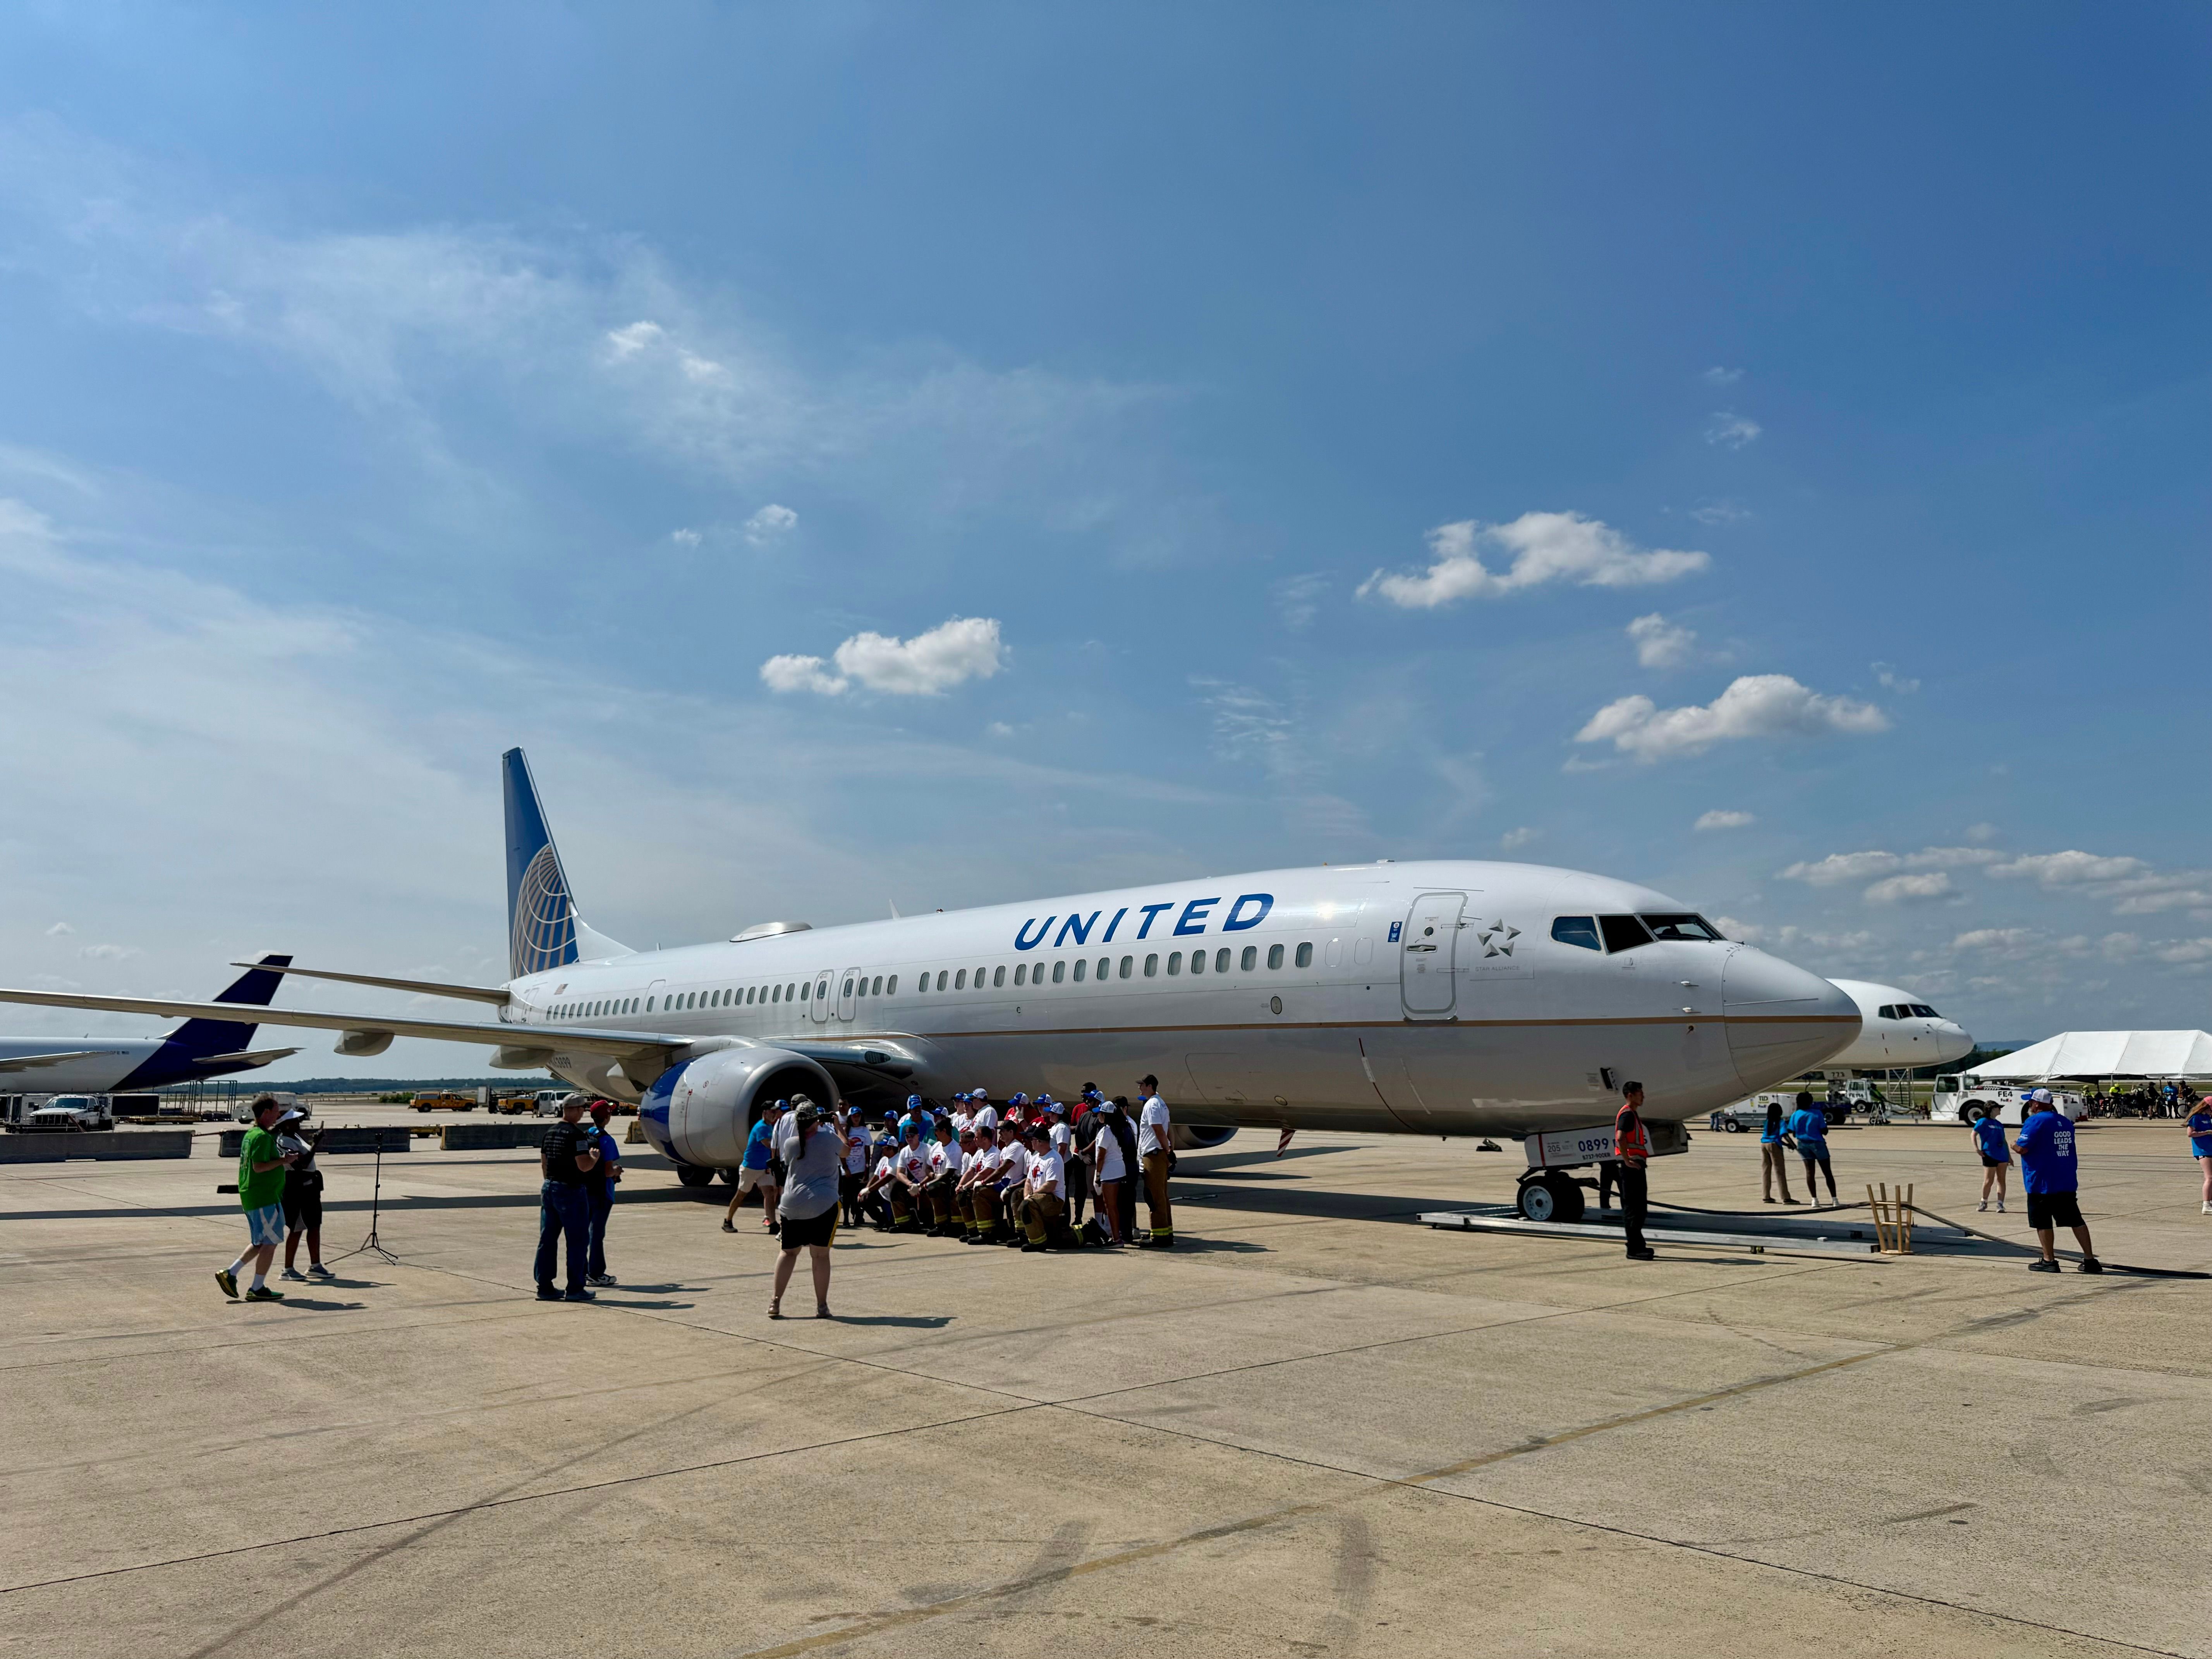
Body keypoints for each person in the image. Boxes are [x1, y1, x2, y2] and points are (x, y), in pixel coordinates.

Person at [218, 1094, 296, 1302]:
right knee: (270, 1243)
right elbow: (259, 1167)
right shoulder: (261, 1137)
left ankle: (231, 1273)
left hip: (256, 1197)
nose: (279, 1114)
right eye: (276, 1110)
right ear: (265, 1113)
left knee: (261, 1242)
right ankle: (257, 1287)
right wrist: (283, 1161)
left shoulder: (253, 1134)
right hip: (264, 1198)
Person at [769, 1096, 843, 1318]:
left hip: (792, 1206)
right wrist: (838, 1127)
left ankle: (775, 1302)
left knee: (788, 1253)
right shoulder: (830, 1139)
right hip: (823, 1203)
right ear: (816, 1120)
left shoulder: (790, 1144)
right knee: (820, 1256)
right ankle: (822, 1306)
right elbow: (846, 1150)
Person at [2015, 1092, 2101, 1274]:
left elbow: (2023, 1148)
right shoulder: (2066, 1122)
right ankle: (2090, 1260)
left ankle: (2049, 1260)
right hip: (2066, 1180)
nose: (2030, 1105)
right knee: (2076, 1220)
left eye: (2031, 1102)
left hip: (2042, 1182)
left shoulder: (2035, 1121)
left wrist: (2013, 1145)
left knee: (2043, 1222)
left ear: (2037, 1104)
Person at [536, 1092, 601, 1301]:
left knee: (547, 1239)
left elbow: (545, 1164)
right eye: (583, 1109)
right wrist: (594, 1158)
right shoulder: (577, 1136)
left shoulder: (550, 1133)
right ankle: (575, 1288)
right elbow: (584, 1166)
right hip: (571, 1191)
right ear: (578, 1110)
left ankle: (545, 1287)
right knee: (577, 1241)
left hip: (549, 1187)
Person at [275, 1106, 333, 1280]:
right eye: (294, 1120)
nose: (298, 1122)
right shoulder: (283, 1142)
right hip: (297, 1190)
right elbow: (302, 1163)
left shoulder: (295, 1137)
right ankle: (288, 1269)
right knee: (297, 1228)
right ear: (285, 1125)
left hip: (310, 1188)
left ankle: (315, 1265)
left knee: (314, 1225)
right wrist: (316, 1143)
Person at [721, 1099, 784, 1235]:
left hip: (763, 1168)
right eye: (772, 1112)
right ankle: (728, 1220)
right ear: (765, 1113)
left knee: (769, 1193)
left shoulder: (770, 1127)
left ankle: (773, 1223)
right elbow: (769, 1145)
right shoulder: (761, 1127)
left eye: (776, 1112)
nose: (774, 1114)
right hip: (751, 1168)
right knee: (741, 1195)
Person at [1610, 1081, 1654, 1261]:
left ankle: (1638, 1245)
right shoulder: (1628, 1115)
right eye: (1640, 1093)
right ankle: (1634, 1249)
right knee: (1634, 1209)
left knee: (1640, 1209)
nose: (1643, 1096)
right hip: (1631, 1168)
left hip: (1635, 1166)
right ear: (1630, 1095)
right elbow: (1620, 1137)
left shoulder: (1633, 1115)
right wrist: (1627, 1161)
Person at [585, 1099, 622, 1285]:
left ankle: (582, 1271)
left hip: (585, 1191)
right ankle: (597, 1273)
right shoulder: (607, 1140)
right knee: (597, 1234)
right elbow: (608, 1171)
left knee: (584, 1233)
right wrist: (617, 1171)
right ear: (607, 1117)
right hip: (603, 1193)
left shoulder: (586, 1135)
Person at [1135, 1074, 1174, 1249]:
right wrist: (1170, 1151)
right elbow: (1169, 1128)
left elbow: (1158, 1129)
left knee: (1154, 1196)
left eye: (1142, 1085)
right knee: (1163, 1196)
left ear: (1150, 1086)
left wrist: (1166, 1149)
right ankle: (1166, 1233)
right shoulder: (1162, 1103)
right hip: (1161, 1154)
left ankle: (1158, 1236)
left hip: (1153, 1154)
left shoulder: (1151, 1104)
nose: (1140, 1088)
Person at [1020, 1123, 1069, 1251]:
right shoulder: (1036, 1157)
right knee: (1016, 1196)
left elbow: (1050, 1186)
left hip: (1053, 1199)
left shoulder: (1054, 1159)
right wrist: (1026, 1195)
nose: (1031, 1142)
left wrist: (1031, 1196)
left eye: (1033, 1140)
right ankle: (1024, 1234)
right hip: (1039, 1196)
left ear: (1040, 1142)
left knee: (1028, 1204)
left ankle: (1038, 1242)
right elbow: (1028, 1181)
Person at [1785, 1090, 1838, 1207]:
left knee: (1810, 1173)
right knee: (1827, 1172)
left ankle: (1814, 1199)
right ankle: (1834, 1199)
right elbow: (1825, 1131)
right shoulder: (1817, 1113)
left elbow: (1791, 1131)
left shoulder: (1796, 1115)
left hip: (1803, 1144)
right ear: (1811, 1102)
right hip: (1817, 1143)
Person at [1089, 1094, 1128, 1245]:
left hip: (1109, 1171)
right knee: (1113, 1206)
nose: (1098, 1115)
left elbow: (1101, 1156)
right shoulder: (1116, 1129)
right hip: (1118, 1170)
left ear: (1105, 1115)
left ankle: (1117, 1239)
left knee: (1110, 1206)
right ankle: (1117, 1235)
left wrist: (1098, 1174)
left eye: (1100, 1113)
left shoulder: (1107, 1132)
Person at [925, 1118, 964, 1236]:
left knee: (935, 1188)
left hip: (951, 1181)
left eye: (937, 1131)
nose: (934, 1134)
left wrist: (931, 1183)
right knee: (932, 1189)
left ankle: (955, 1226)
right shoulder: (936, 1147)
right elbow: (928, 1168)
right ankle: (940, 1225)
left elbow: (949, 1174)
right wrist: (932, 1176)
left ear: (944, 1131)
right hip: (938, 1181)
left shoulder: (955, 1149)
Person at [1758, 1099, 1799, 1206]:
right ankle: (1785, 1197)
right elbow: (1784, 1135)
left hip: (1764, 1145)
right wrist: (1794, 1145)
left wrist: (1786, 1145)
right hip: (1774, 1146)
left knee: (1766, 1171)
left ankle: (1766, 1196)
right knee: (1780, 1171)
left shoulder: (1767, 1122)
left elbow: (1774, 1137)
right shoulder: (1781, 1122)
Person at [1971, 1105, 2011, 1213]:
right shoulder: (1983, 1122)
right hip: (1989, 1154)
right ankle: (1984, 1202)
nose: (2000, 1110)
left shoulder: (1999, 1124)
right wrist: (1977, 1149)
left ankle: (2000, 1204)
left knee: (2001, 1180)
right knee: (1989, 1180)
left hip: (2002, 1155)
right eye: (1998, 1108)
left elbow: (2004, 1141)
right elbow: (1974, 1134)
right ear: (1992, 1110)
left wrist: (2009, 1157)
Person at [840, 1110, 871, 1227]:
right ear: (850, 1118)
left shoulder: (865, 1131)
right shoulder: (845, 1131)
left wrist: (867, 1169)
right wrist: (846, 1168)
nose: (856, 1118)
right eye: (854, 1116)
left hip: (860, 1168)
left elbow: (867, 1151)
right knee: (847, 1196)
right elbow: (841, 1151)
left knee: (858, 1195)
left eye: (859, 1116)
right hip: (848, 1169)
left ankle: (858, 1217)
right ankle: (846, 1219)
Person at [2188, 1095, 2212, 1215]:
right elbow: (2190, 1134)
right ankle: (2206, 1205)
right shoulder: (2196, 1118)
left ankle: (2210, 1202)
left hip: (2210, 1149)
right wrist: (2207, 1132)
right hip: (2203, 1151)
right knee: (2209, 1177)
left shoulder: (2207, 1118)